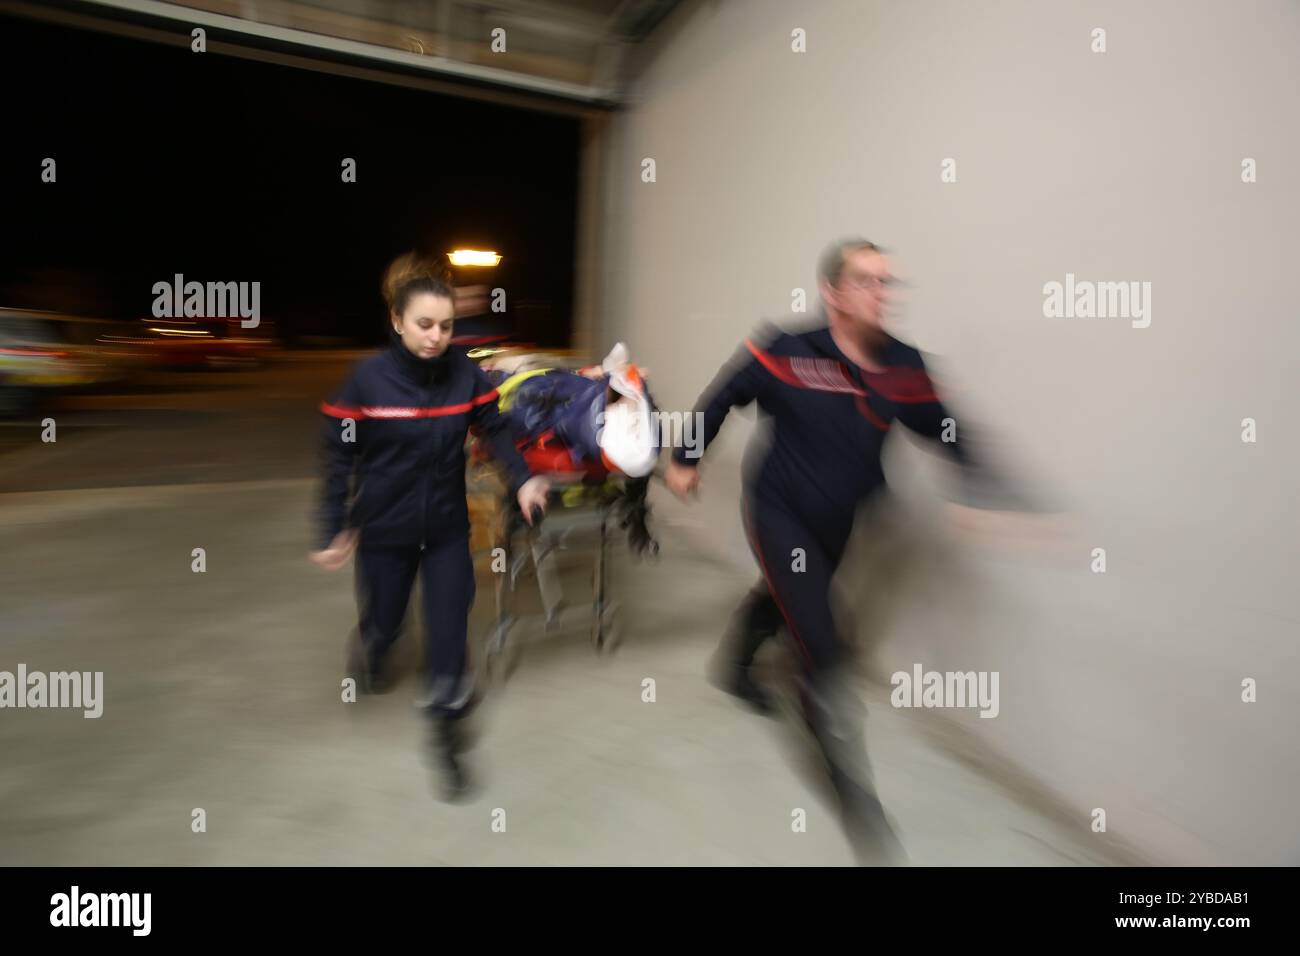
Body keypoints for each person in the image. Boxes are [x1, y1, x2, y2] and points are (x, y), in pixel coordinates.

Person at [665, 238, 1037, 864]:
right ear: (833, 292)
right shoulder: (785, 349)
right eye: (867, 280)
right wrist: (686, 456)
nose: (882, 293)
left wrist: (988, 492)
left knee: (784, 599)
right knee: (824, 645)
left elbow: (947, 427)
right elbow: (724, 395)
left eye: (889, 282)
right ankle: (851, 788)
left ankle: (733, 665)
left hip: (841, 523)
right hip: (778, 511)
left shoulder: (906, 366)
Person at [310, 254, 549, 801]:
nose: (437, 336)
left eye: (445, 326)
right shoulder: (366, 380)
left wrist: (524, 480)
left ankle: (447, 734)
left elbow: (494, 429)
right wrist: (335, 525)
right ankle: (372, 647)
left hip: (443, 529)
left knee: (448, 631)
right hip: (384, 532)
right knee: (387, 621)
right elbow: (336, 457)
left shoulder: (464, 373)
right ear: (397, 321)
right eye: (424, 324)